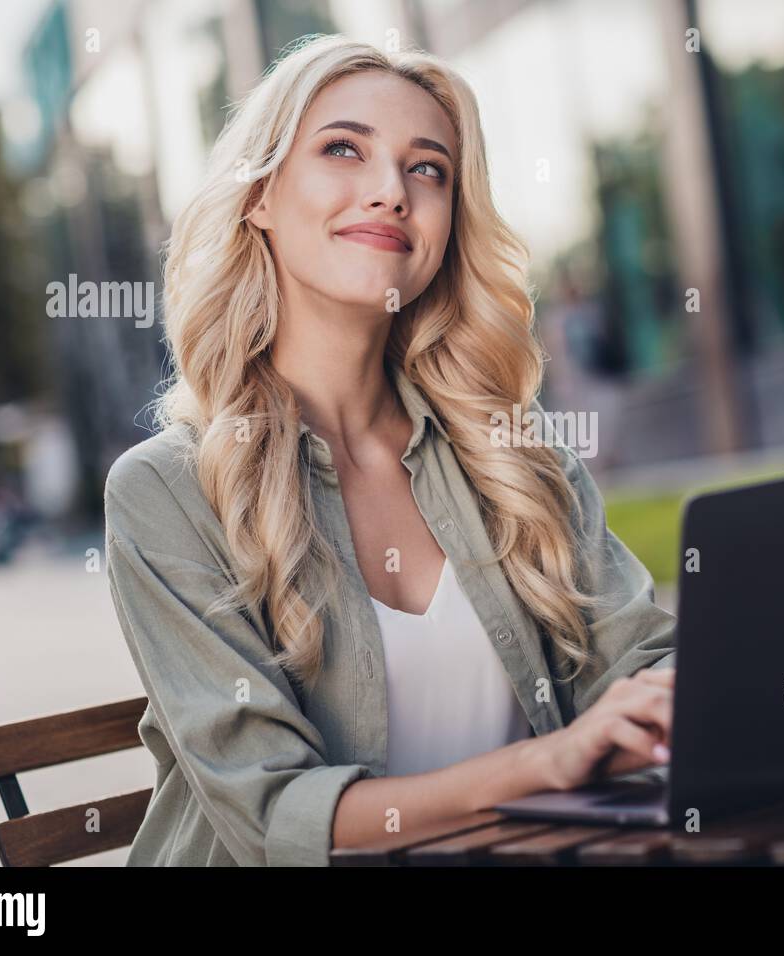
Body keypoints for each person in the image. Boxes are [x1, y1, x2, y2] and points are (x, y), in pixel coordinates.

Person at [103, 33, 675, 867]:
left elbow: (638, 660)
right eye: (343, 149)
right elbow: (272, 816)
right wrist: (535, 766)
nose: (391, 192)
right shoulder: (167, 491)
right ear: (259, 195)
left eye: (428, 168)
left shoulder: (512, 454)